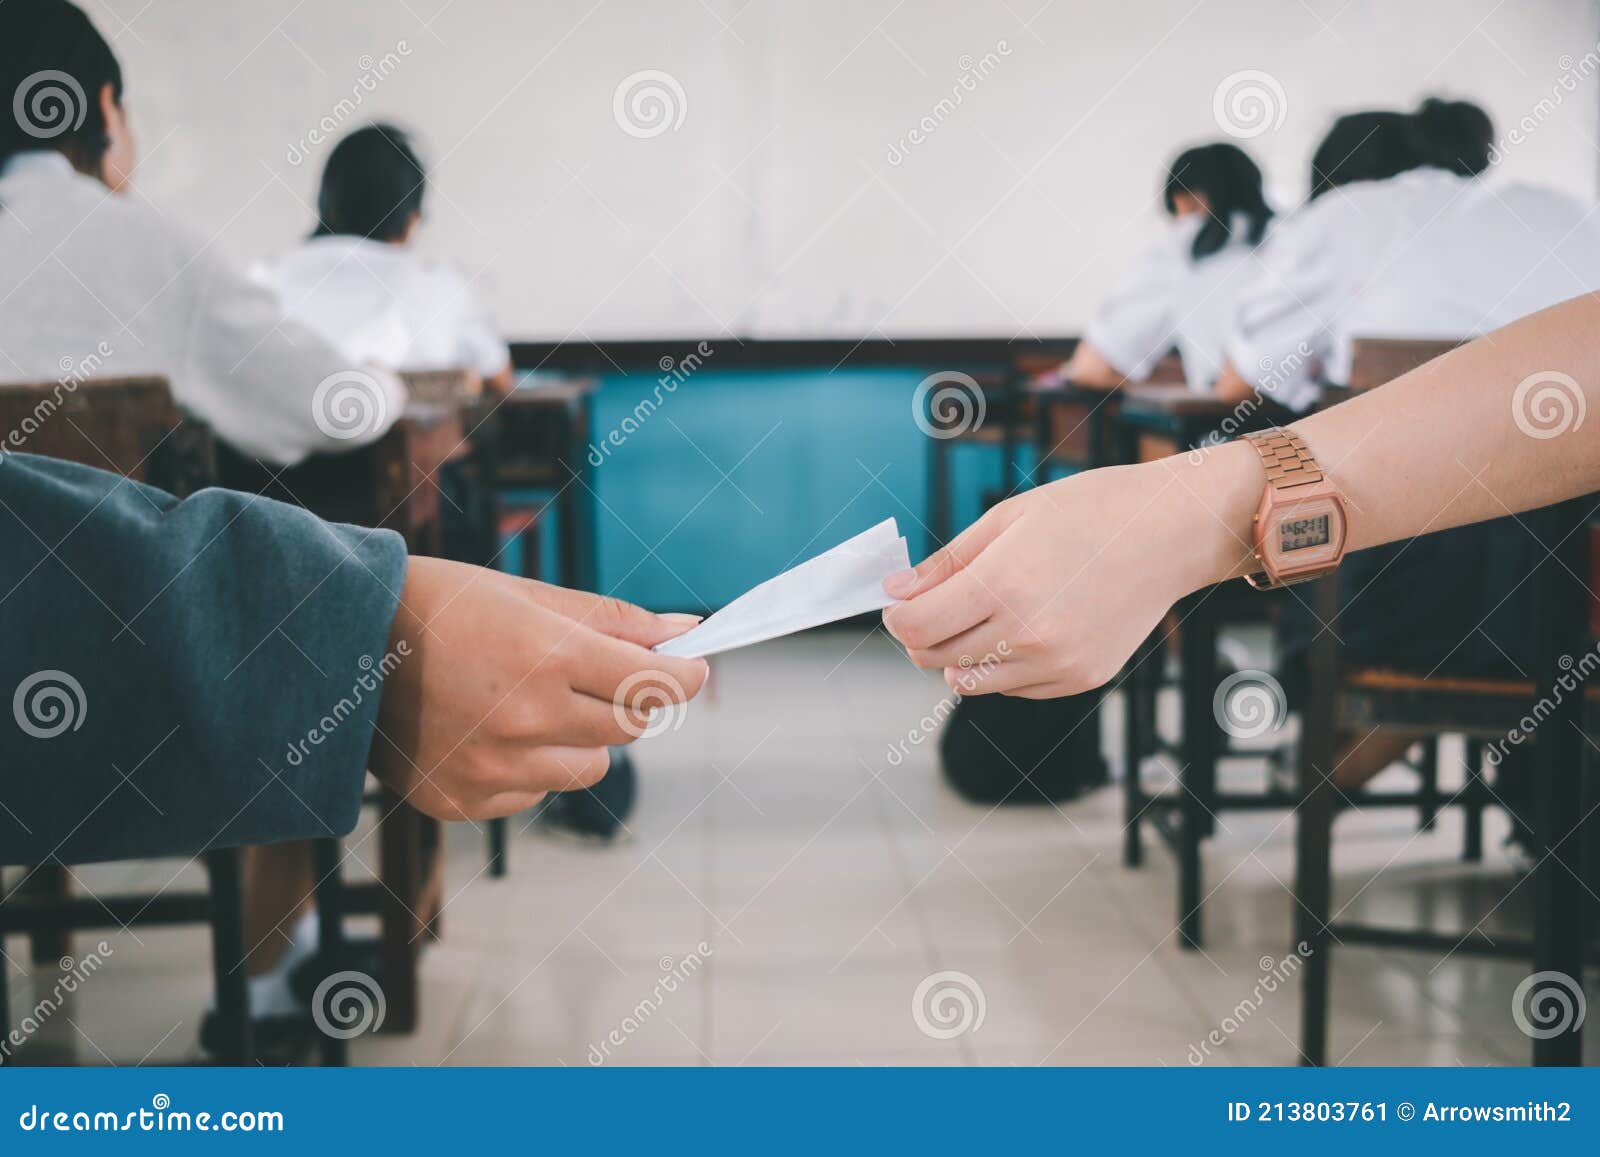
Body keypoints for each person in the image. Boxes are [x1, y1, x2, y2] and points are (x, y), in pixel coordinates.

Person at [882, 291, 1599, 701]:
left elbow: (1234, 385)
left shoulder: (1328, 228)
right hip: (1549, 599)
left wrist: (1165, 525)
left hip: (1430, 588)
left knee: (1332, 642)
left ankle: (1338, 769)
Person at [0, 0, 406, 467]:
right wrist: (384, 380)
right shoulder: (147, 248)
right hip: (113, 541)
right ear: (106, 109)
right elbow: (332, 408)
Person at [255, 123, 513, 392]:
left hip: (274, 429)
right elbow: (502, 382)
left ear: (324, 201)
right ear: (411, 220)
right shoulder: (438, 284)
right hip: (411, 431)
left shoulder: (263, 278)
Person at [1052, 142, 1274, 393]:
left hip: (1230, 427)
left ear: (1186, 201)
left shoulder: (1184, 249)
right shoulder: (1292, 237)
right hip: (1314, 424)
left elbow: (1091, 368)